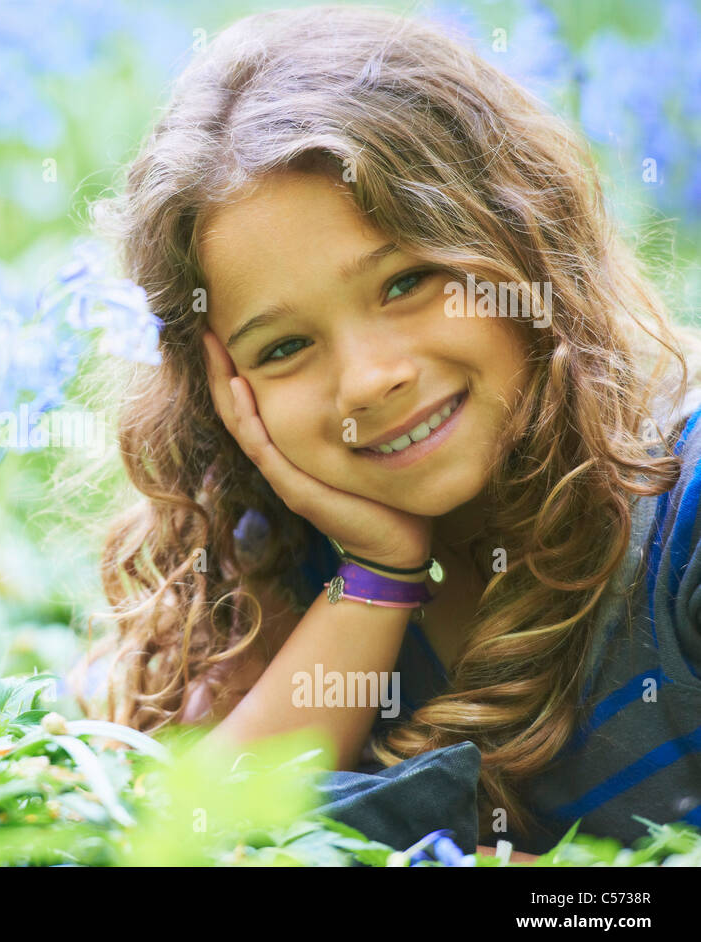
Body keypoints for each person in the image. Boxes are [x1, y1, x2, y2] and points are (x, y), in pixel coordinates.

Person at [76, 5, 701, 858]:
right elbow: (192, 845)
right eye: (286, 346)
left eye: (407, 282)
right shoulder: (281, 568)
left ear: (521, 239)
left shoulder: (687, 510)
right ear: (222, 394)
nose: (371, 379)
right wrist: (376, 576)